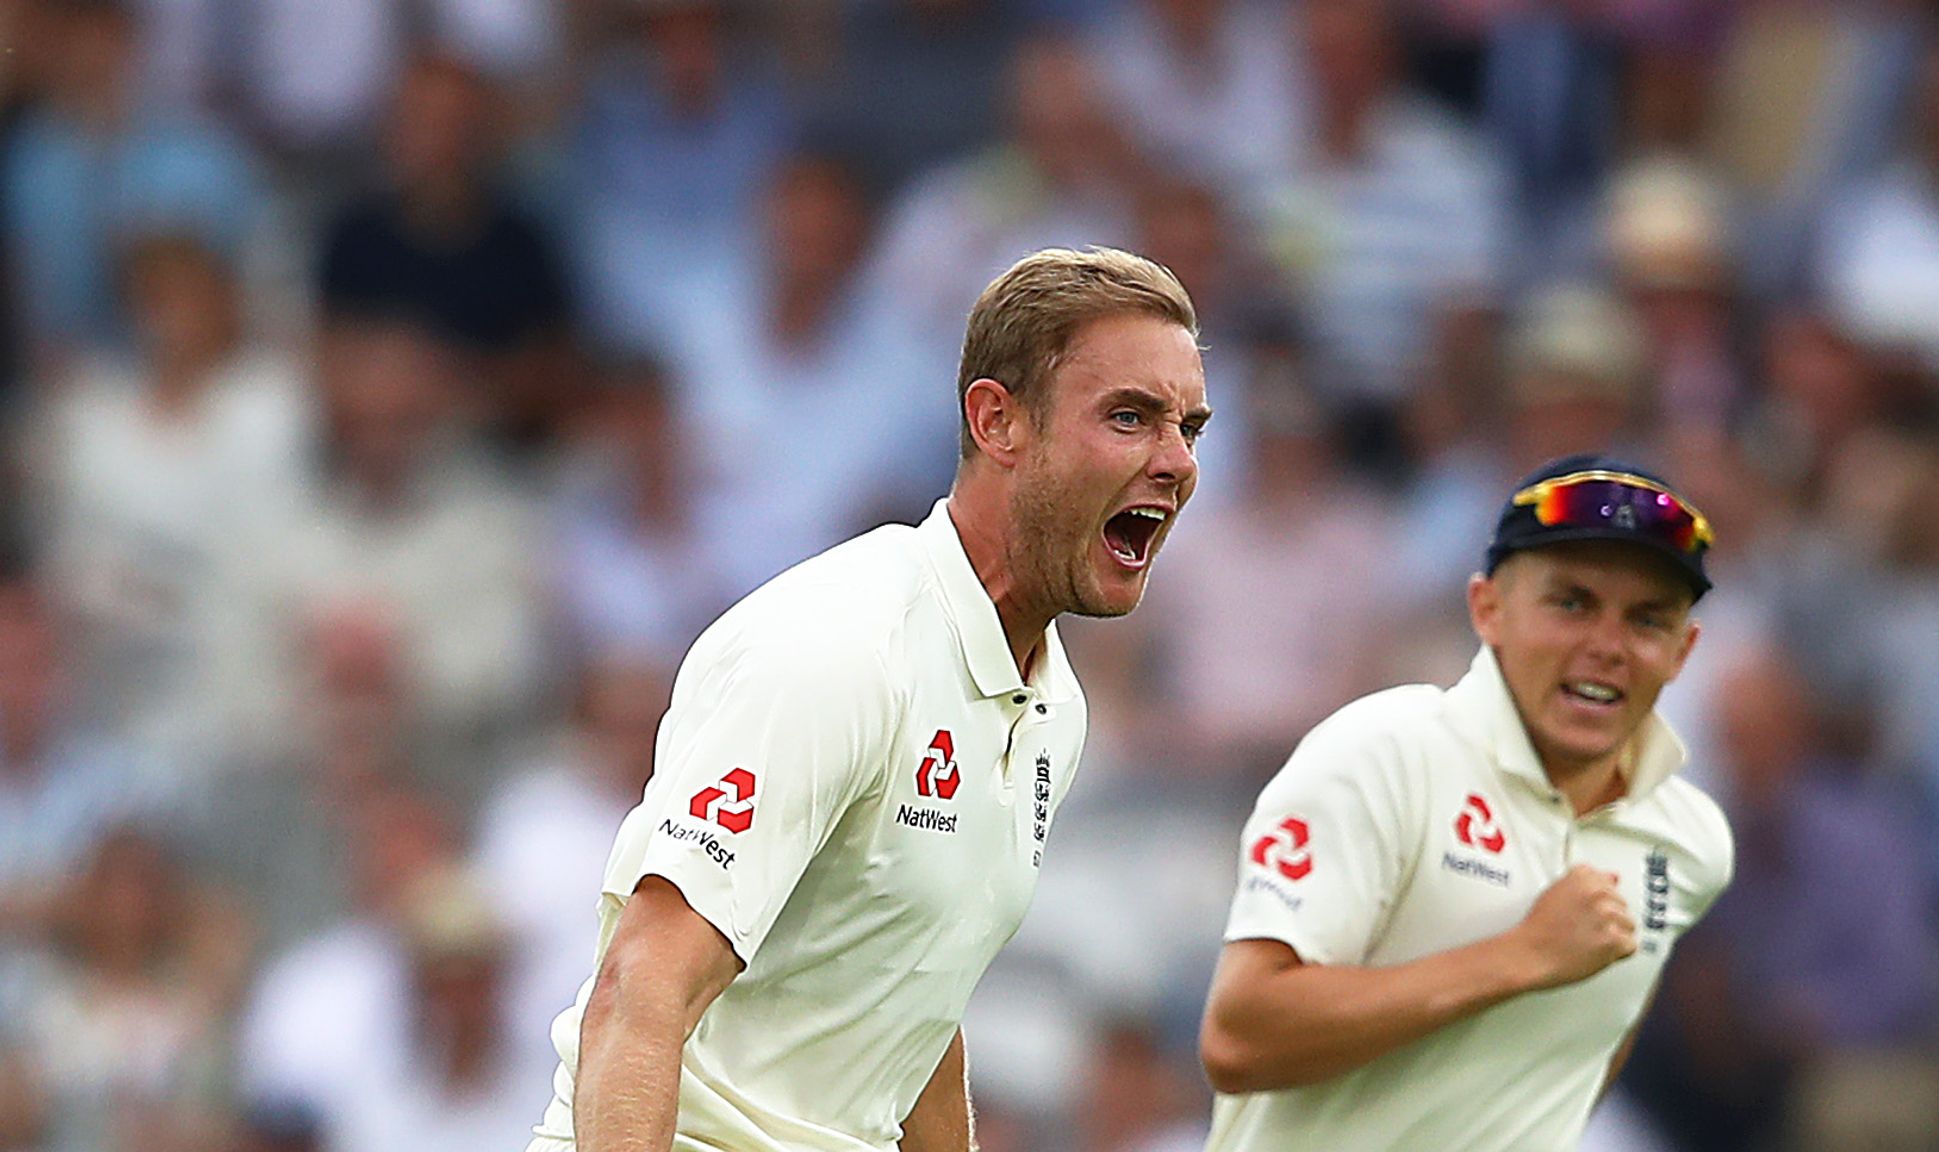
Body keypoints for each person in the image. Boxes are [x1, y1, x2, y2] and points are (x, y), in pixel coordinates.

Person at [524, 246, 1209, 1152]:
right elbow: (638, 994)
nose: (1175, 462)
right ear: (997, 422)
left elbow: (912, 1006)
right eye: (1130, 418)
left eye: (1189, 428)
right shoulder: (841, 645)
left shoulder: (1054, 708)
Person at [1198, 453, 1734, 1151]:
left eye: (1647, 620)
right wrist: (1521, 957)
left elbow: (1585, 1056)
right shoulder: (1384, 753)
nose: (1607, 647)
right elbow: (1240, 1039)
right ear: (1488, 609)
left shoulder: (1690, 842)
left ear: (1683, 651)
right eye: (1571, 603)